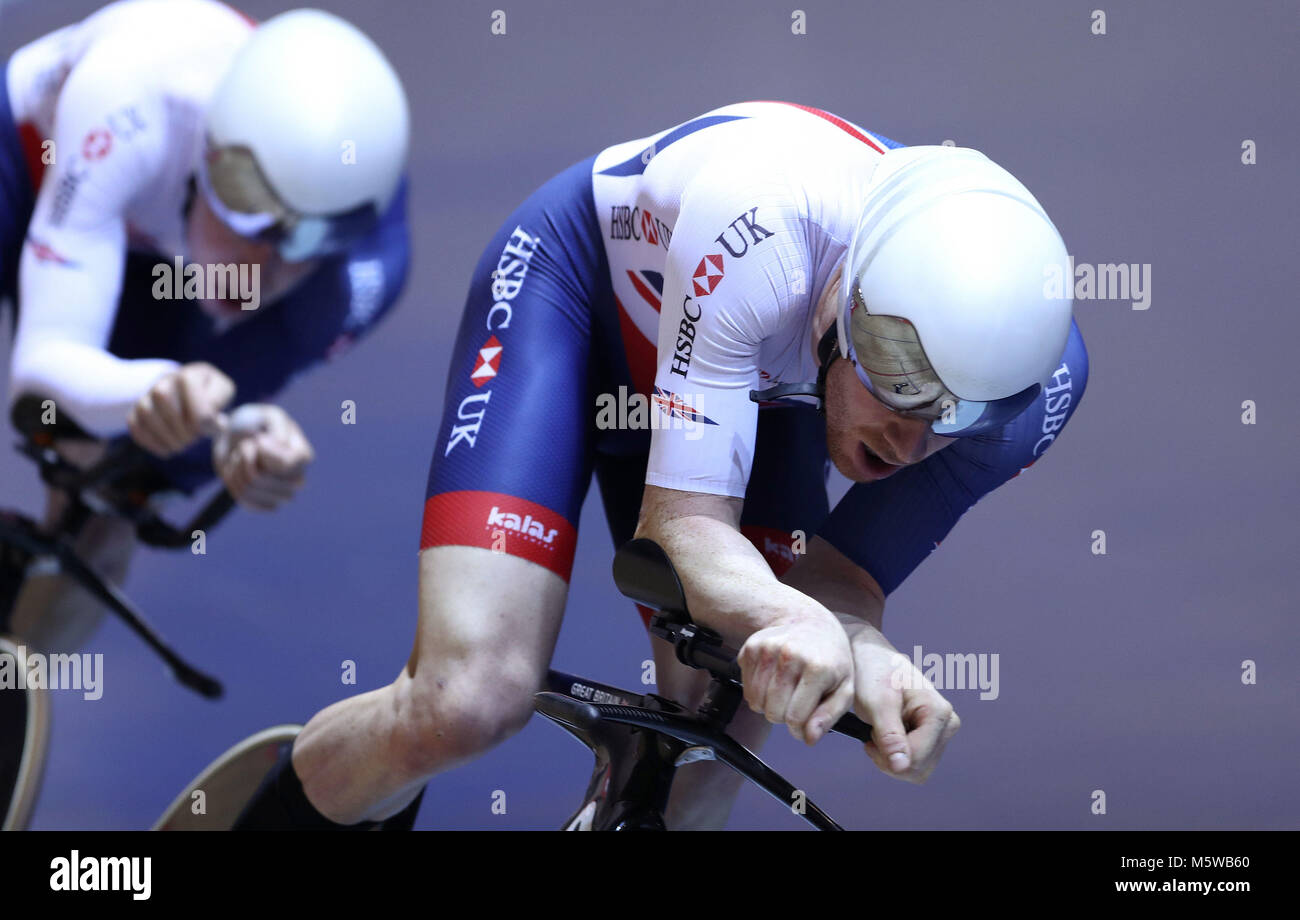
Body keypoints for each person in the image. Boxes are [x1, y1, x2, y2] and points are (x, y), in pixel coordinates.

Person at [232, 101, 1088, 831]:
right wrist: (794, 618)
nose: (907, 444)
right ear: (845, 294)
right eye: (896, 381)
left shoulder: (1037, 392)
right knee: (468, 701)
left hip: (760, 387)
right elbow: (678, 532)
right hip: (578, 297)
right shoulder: (764, 223)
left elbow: (843, 585)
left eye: (953, 419)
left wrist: (863, 645)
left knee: (704, 766)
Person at [0, 1, 410, 653]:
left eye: (304, 245)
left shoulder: (362, 265)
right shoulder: (130, 102)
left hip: (152, 245)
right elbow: (42, 372)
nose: (264, 270)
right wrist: (151, 391)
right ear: (211, 161)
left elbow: (207, 414)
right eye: (256, 222)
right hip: (38, 162)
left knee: (106, 510)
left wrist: (236, 437)